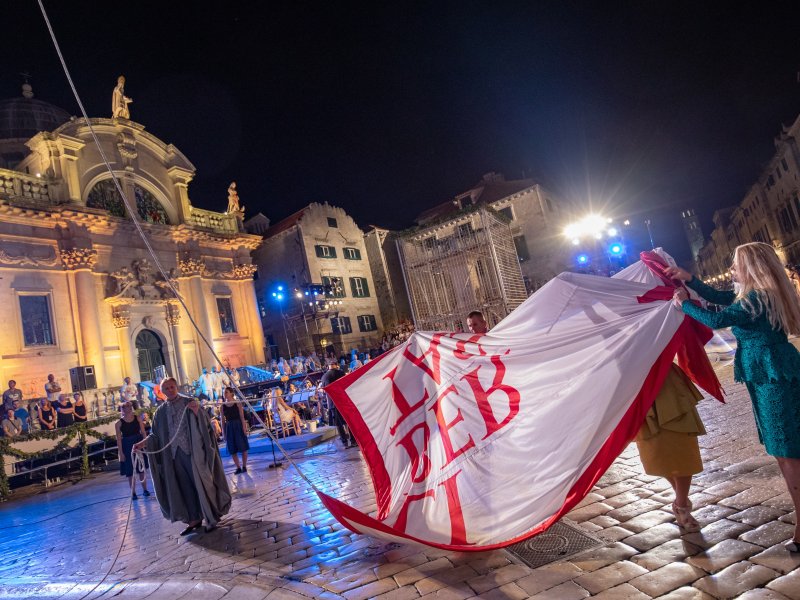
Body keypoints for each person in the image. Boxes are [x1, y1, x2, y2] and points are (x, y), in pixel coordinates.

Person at [668, 242, 800, 552]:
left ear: (752, 268)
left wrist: (685, 302)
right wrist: (690, 279)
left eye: (736, 264)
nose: (731, 270)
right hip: (767, 370)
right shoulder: (757, 295)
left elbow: (717, 319)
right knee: (781, 446)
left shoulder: (758, 298)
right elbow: (719, 298)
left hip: (772, 372)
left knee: (787, 446)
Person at [132, 377, 231, 535]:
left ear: (176, 387)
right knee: (184, 488)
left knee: (202, 484)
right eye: (166, 389)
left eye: (172, 387)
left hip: (192, 453)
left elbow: (205, 421)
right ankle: (194, 519)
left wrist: (197, 411)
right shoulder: (160, 412)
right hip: (174, 456)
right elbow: (155, 436)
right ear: (162, 392)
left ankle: (210, 517)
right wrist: (142, 444)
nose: (170, 390)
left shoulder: (189, 402)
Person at [635, 364, 706, 532]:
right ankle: (681, 501)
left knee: (682, 446)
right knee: (656, 451)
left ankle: (681, 503)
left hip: (667, 383)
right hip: (636, 385)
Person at [115, 401, 150, 499]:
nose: (130, 408)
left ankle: (145, 490)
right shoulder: (118, 423)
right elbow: (118, 440)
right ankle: (133, 492)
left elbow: (143, 432)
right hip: (127, 445)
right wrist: (121, 453)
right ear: (123, 409)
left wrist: (145, 444)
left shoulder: (137, 418)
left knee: (141, 467)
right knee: (130, 471)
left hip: (138, 443)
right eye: (127, 406)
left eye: (130, 406)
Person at [320, 362, 353, 447]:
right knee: (349, 421)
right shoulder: (341, 373)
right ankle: (353, 440)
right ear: (336, 366)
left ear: (328, 367)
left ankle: (344, 442)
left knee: (339, 424)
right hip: (343, 400)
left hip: (332, 402)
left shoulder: (324, 376)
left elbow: (323, 390)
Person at [220, 387, 249, 474]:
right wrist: (223, 433)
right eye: (224, 392)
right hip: (229, 427)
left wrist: (244, 427)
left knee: (243, 447)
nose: (225, 394)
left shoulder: (237, 403)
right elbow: (222, 420)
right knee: (232, 448)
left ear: (231, 393)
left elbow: (242, 416)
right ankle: (238, 467)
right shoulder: (222, 406)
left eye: (226, 392)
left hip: (238, 426)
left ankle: (244, 466)